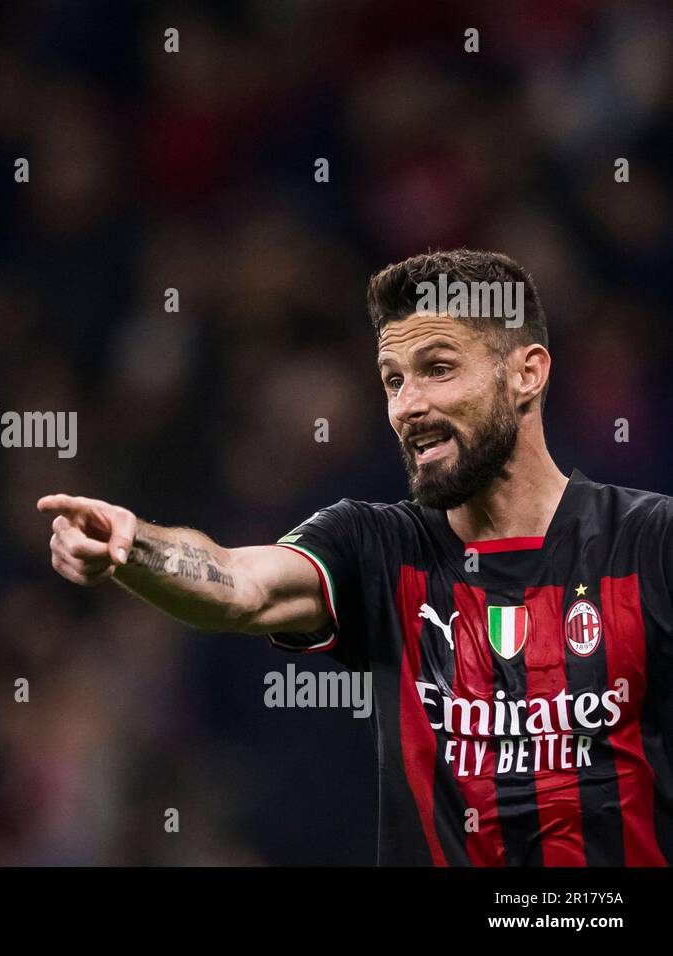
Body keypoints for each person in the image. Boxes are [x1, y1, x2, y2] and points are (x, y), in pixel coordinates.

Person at [39, 249, 671, 866]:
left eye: (439, 368)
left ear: (526, 373)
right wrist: (132, 545)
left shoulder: (648, 544)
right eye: (394, 379)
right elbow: (240, 584)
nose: (407, 405)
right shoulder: (375, 548)